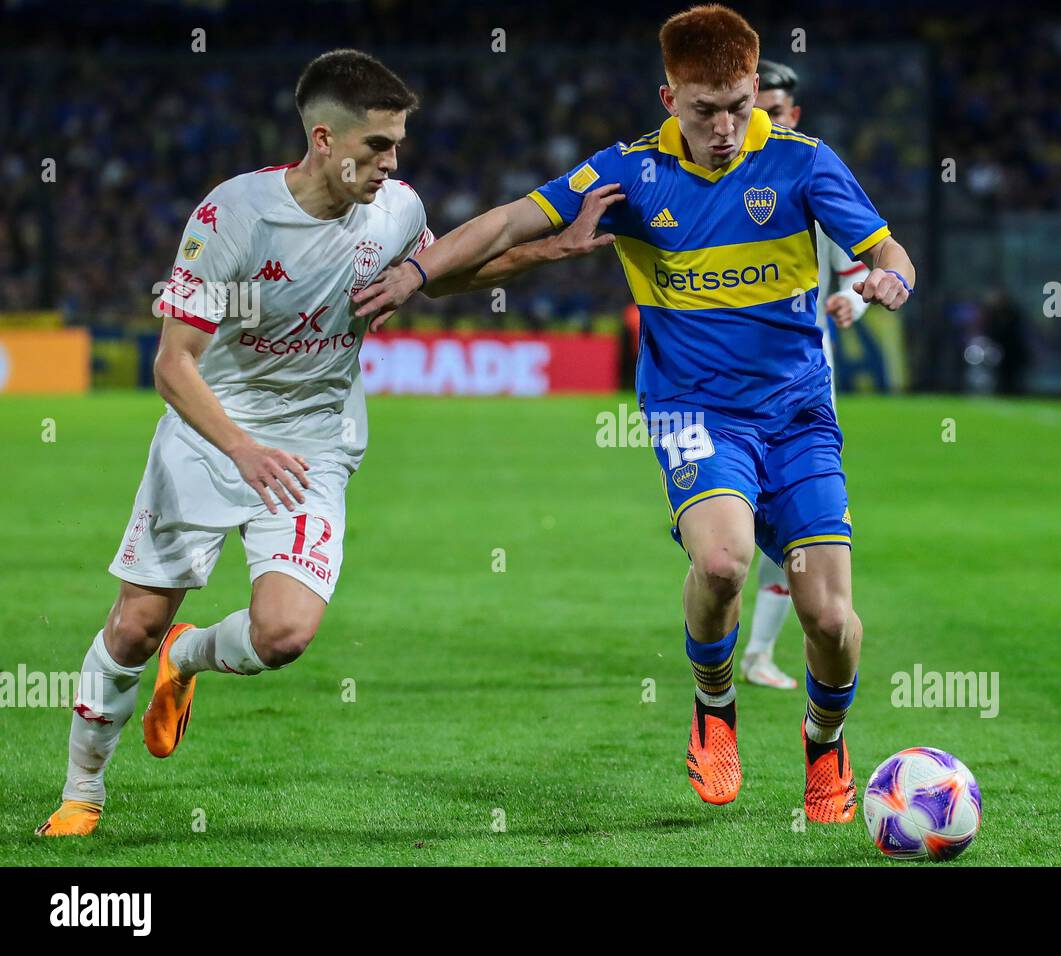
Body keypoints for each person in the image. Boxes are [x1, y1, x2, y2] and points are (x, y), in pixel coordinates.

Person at [355, 4, 914, 823]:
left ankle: (824, 741)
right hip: (694, 411)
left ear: (755, 92)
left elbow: (887, 250)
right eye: (704, 110)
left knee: (829, 618)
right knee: (721, 564)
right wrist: (414, 273)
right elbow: (508, 221)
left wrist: (891, 277)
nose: (724, 128)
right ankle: (714, 707)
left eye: (738, 107)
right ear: (668, 98)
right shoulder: (630, 173)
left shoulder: (804, 164)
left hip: (798, 415)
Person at [38, 48, 615, 836]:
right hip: (212, 435)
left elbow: (439, 274)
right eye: (376, 146)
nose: (391, 163)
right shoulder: (234, 217)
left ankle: (188, 656)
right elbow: (173, 366)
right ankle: (82, 795)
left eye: (398, 145)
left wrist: (547, 249)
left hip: (315, 445)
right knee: (134, 623)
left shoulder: (396, 211)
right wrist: (241, 449)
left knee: (284, 635)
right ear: (323, 140)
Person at [738, 58, 878, 691]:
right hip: (725, 386)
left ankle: (758, 652)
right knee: (736, 537)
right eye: (753, 108)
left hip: (804, 381)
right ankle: (739, 654)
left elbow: (859, 265)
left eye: (774, 110)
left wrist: (855, 300)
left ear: (793, 114)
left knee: (794, 526)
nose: (762, 120)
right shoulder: (715, 180)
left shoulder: (811, 177)